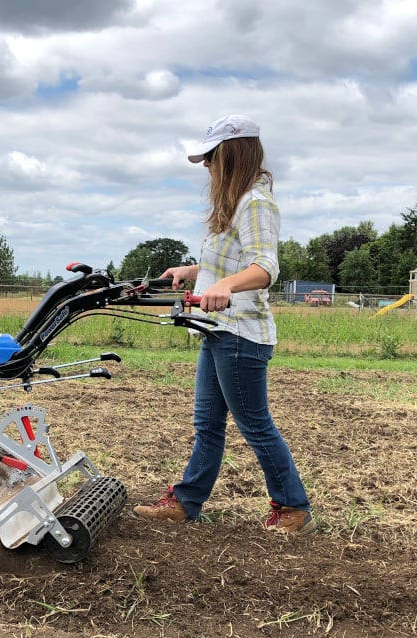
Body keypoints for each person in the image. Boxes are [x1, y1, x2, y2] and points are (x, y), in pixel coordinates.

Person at [132, 115, 315, 534]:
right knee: (207, 425)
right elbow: (228, 262)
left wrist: (230, 286)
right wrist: (193, 270)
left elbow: (265, 266)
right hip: (217, 330)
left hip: (241, 334)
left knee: (254, 424)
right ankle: (186, 503)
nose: (206, 166)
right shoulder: (235, 206)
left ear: (230, 155)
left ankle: (294, 508)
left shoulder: (256, 202)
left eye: (210, 157)